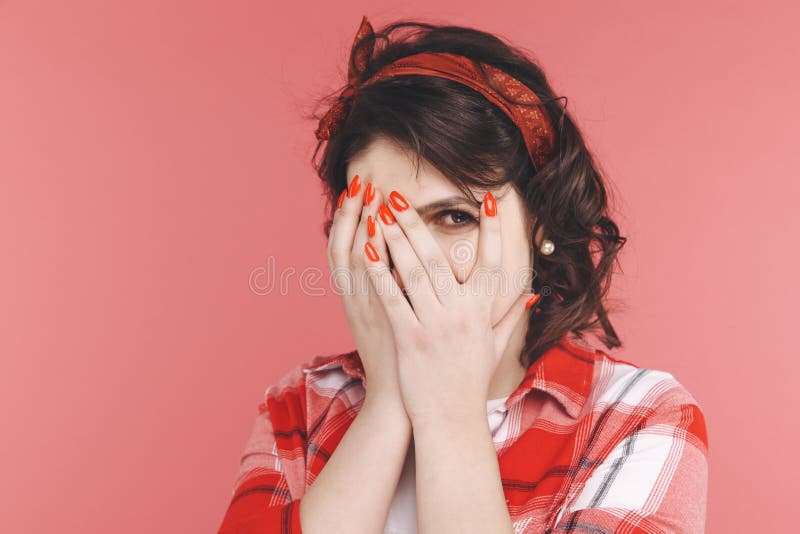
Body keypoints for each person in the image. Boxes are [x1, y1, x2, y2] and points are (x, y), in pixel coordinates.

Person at [217, 15, 709, 534]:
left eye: (455, 217)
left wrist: (450, 416)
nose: (411, 258)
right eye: (378, 222)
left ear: (540, 224)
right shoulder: (301, 404)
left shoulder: (640, 417)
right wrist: (386, 404)